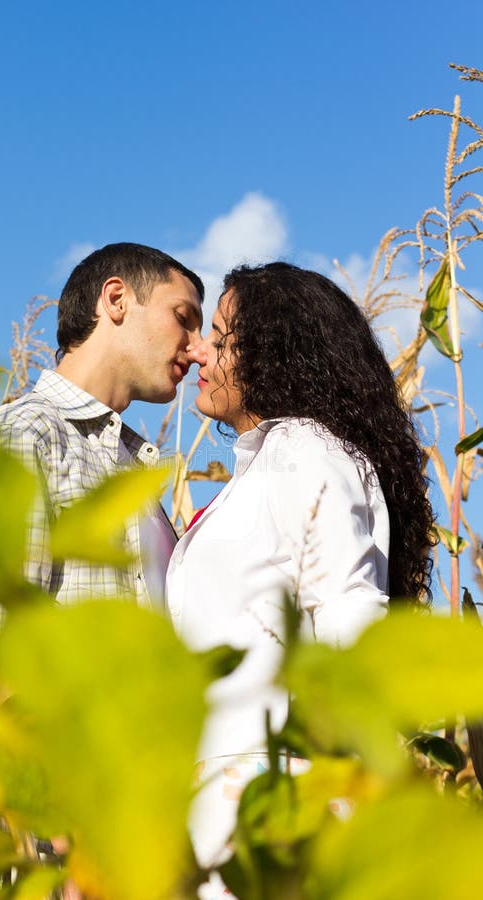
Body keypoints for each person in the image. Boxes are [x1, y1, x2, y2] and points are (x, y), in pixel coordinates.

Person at [166, 261, 434, 880]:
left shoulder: (307, 452)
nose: (202, 350)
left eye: (222, 338)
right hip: (228, 808)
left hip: (279, 812)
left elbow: (348, 622)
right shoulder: (267, 467)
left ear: (274, 354)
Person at [0, 242, 204, 662]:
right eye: (184, 319)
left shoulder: (129, 465)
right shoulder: (27, 432)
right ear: (116, 300)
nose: (198, 349)